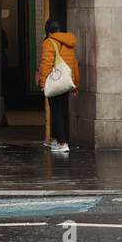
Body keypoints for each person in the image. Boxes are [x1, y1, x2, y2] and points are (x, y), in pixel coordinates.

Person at [36, 18, 80, 154]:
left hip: (55, 81)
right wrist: (76, 84)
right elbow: (74, 64)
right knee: (60, 110)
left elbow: (46, 64)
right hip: (66, 81)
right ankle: (56, 140)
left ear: (48, 31)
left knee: (55, 111)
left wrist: (43, 83)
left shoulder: (49, 42)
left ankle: (62, 143)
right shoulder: (68, 42)